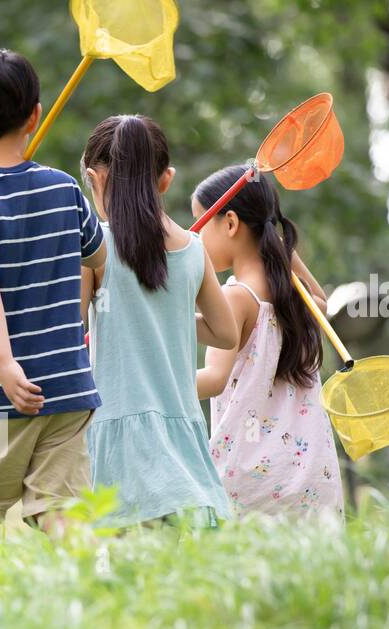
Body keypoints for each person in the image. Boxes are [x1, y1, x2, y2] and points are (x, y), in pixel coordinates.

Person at [0, 48, 107, 540]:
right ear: (33, 116)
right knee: (62, 512)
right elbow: (97, 259)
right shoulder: (64, 189)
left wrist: (6, 365)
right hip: (69, 386)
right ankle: (92, 586)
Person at [79, 115, 237, 528]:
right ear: (165, 180)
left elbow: (71, 328)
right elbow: (225, 332)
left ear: (95, 179)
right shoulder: (194, 248)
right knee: (172, 568)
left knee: (125, 569)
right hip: (179, 429)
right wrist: (173, 313)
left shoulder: (95, 247)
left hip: (116, 430)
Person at [192, 164, 345, 518]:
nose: (195, 236)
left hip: (251, 481)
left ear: (230, 224)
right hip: (310, 478)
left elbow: (213, 380)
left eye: (200, 223)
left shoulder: (235, 297)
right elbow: (320, 299)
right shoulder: (299, 300)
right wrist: (276, 243)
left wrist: (149, 387)